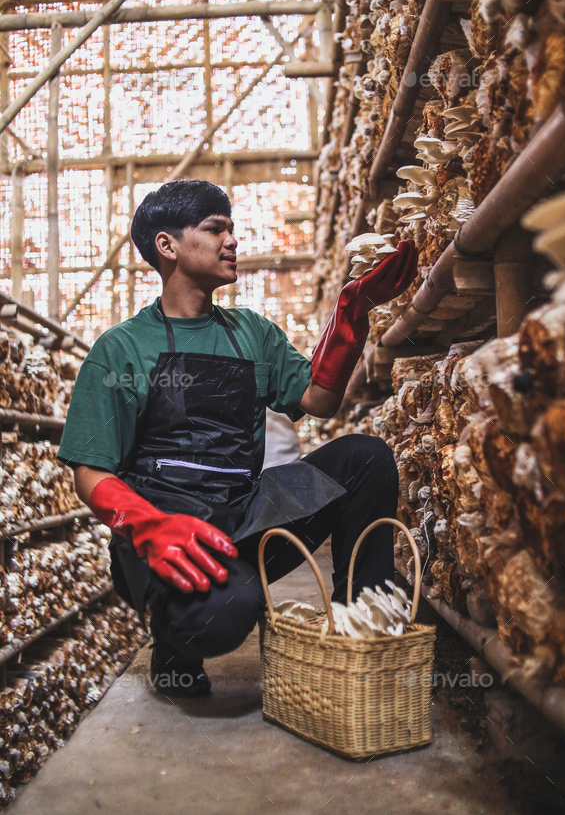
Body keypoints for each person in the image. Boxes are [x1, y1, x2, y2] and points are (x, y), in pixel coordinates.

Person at [58, 180, 418, 697]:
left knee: (366, 457)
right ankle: (175, 640)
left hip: (242, 516)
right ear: (168, 246)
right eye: (215, 229)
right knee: (225, 616)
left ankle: (362, 631)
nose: (232, 241)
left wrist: (352, 312)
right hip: (168, 533)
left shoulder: (252, 332)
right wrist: (151, 528)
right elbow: (89, 472)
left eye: (232, 228)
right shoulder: (121, 350)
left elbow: (319, 400)